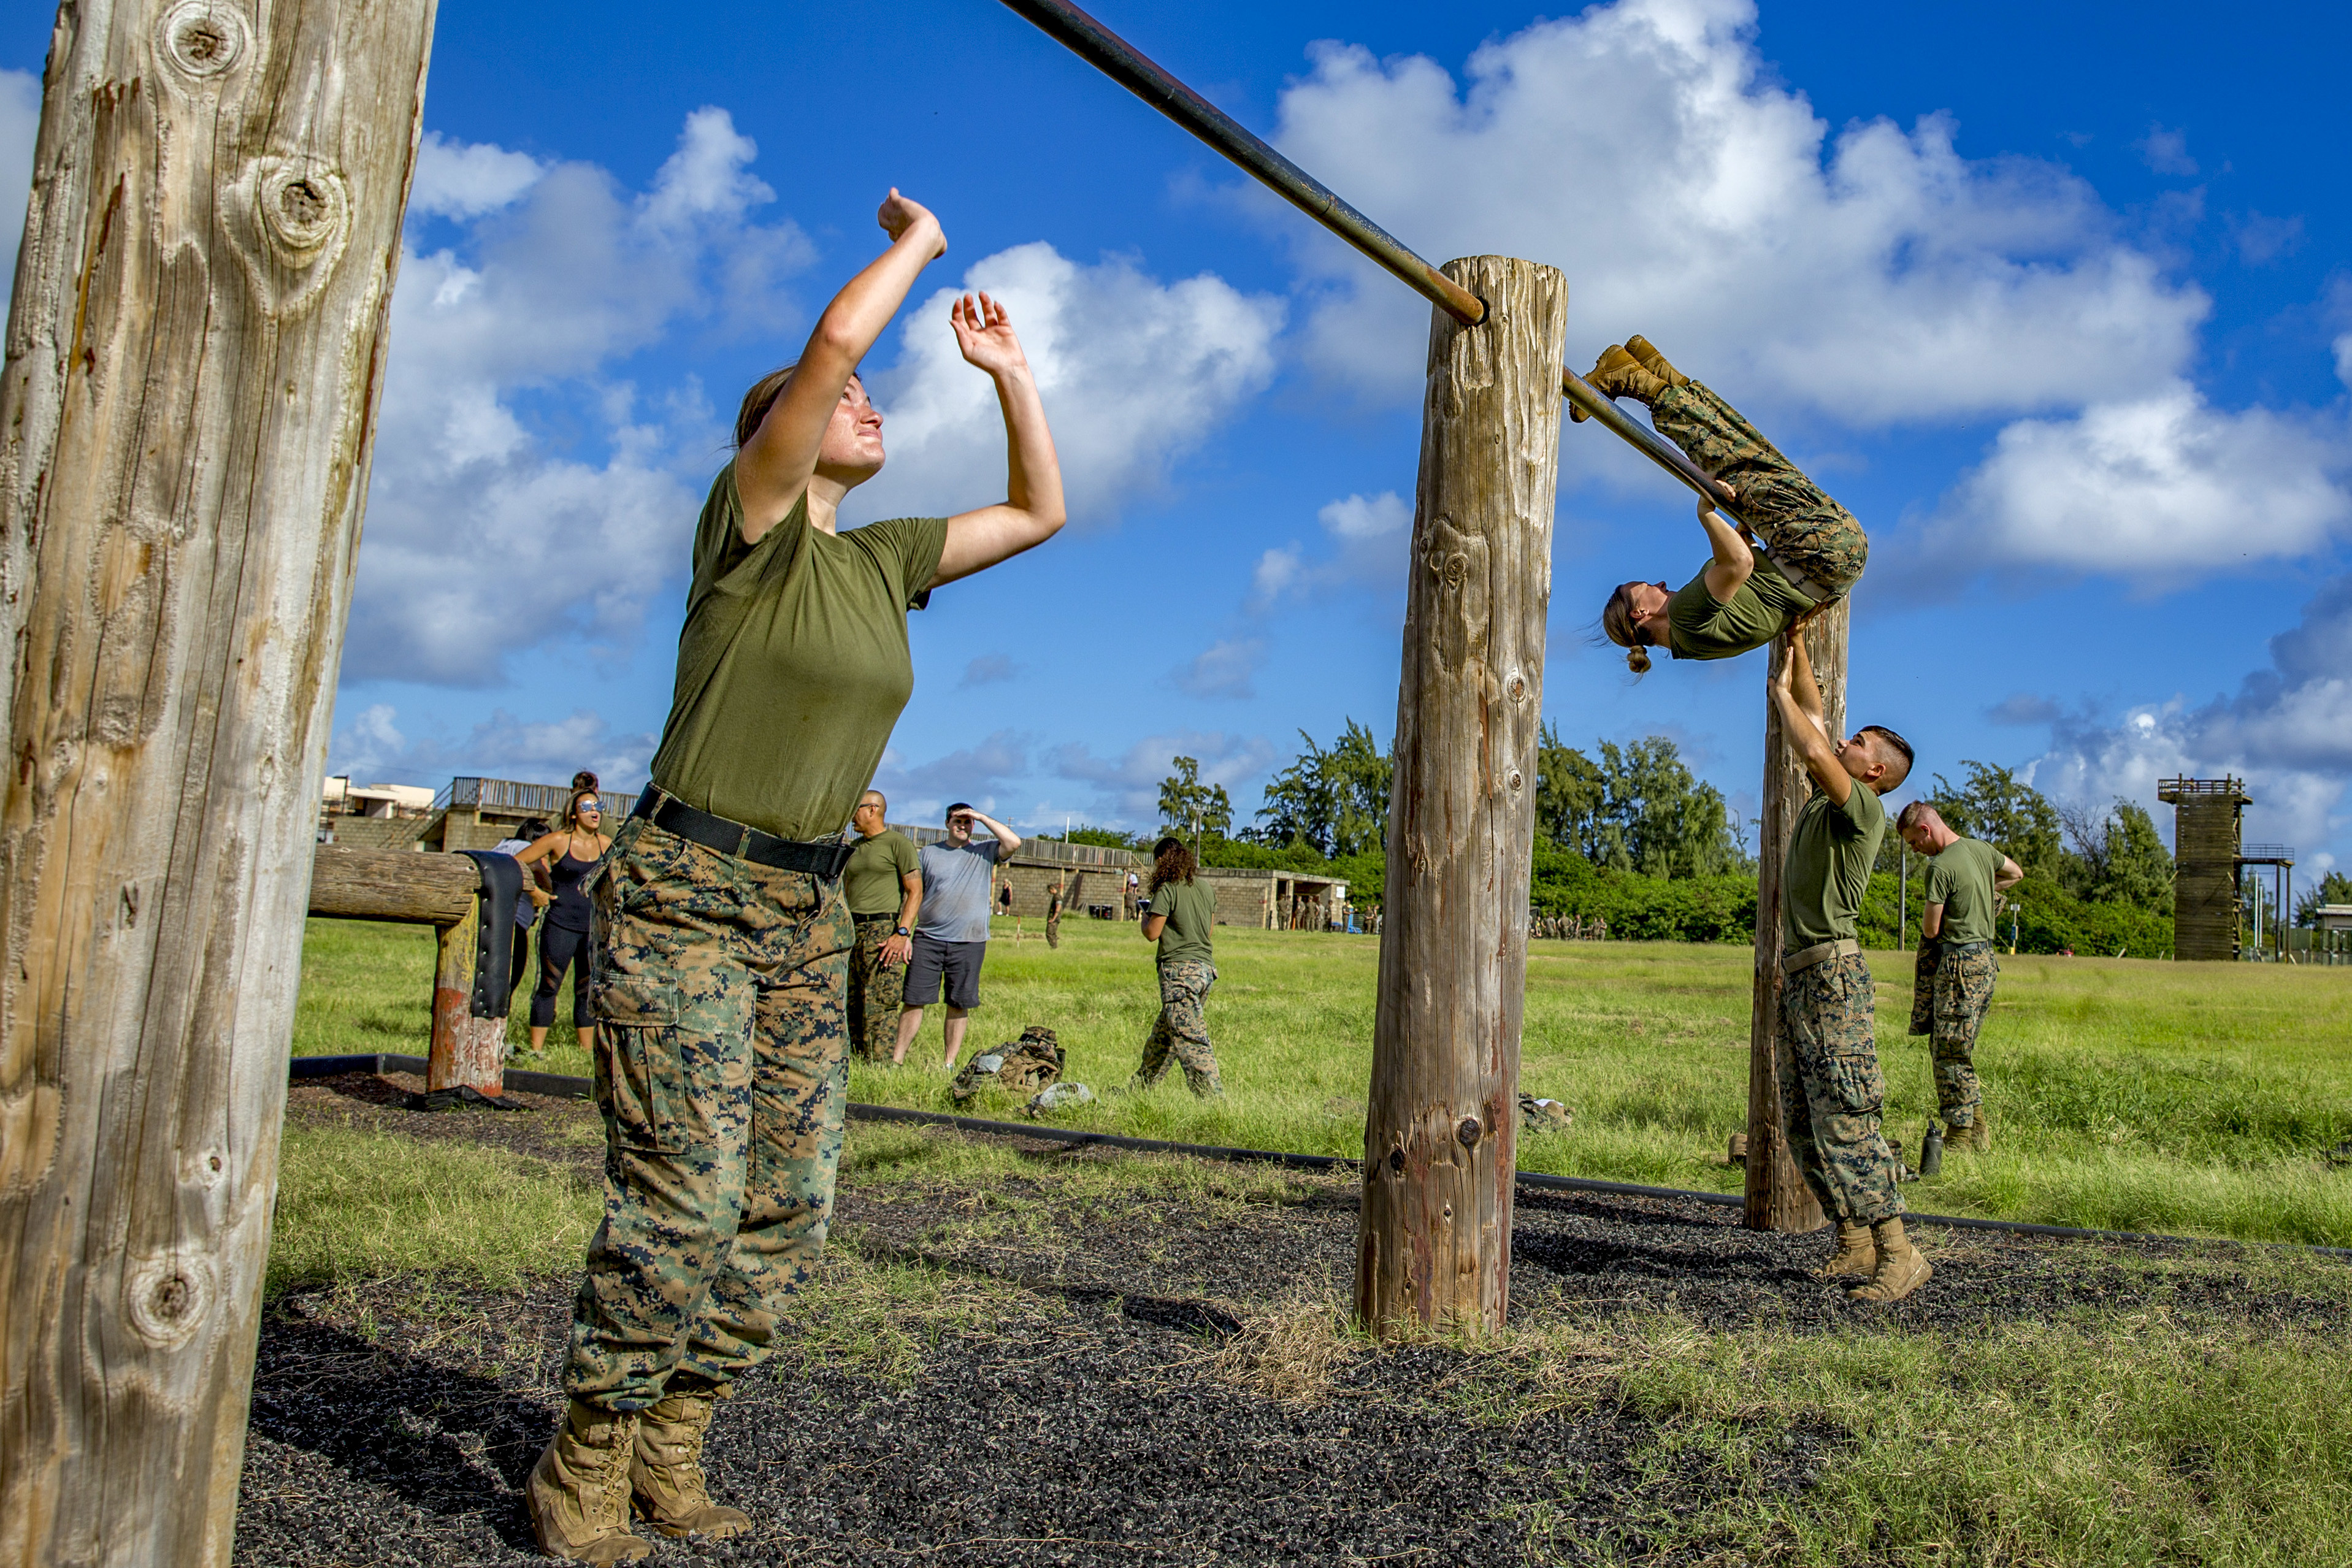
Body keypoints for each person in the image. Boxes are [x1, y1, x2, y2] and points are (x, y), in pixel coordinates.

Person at [527, 188, 1065, 1562]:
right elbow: (829, 342)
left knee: (789, 1202)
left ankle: (674, 1434)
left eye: (880, 400)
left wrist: (1011, 377)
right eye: (850, 403)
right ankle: (583, 1454)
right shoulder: (750, 529)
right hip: (685, 895)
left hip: (800, 913)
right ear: (776, 439)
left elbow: (1036, 514)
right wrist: (918, 247)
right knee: (685, 1195)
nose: (871, 408)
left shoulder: (884, 561)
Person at [1766, 631, 1925, 1303]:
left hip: (1833, 977)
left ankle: (1898, 1251)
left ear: (1874, 773)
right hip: (1801, 973)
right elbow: (1818, 712)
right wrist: (1796, 647)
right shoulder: (1828, 800)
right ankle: (1852, 1240)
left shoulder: (1861, 810)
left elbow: (1807, 737)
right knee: (1803, 1119)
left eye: (1858, 743)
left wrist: (1776, 695)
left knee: (1848, 1116)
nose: (1845, 743)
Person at [1585, 337, 1869, 671]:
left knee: (1749, 453)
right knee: (1732, 462)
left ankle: (1662, 377)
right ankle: (1635, 380)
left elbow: (1751, 590)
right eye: (1648, 588)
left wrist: (1740, 533)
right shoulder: (1683, 618)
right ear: (1640, 613)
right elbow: (1738, 565)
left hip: (1830, 558)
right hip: (1815, 549)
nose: (1660, 584)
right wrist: (1706, 512)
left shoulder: (1690, 643)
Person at [1898, 803, 2022, 1153]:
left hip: (1958, 966)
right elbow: (2015, 873)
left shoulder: (1940, 868)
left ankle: (1959, 1137)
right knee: (1962, 1049)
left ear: (1925, 830)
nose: (1915, 850)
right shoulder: (1981, 850)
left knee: (1949, 1051)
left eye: (1913, 843)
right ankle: (1979, 1130)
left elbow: (1931, 928)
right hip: (1986, 962)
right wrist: (1983, 887)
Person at [896, 803, 1021, 1071]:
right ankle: (897, 1060)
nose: (962, 826)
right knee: (914, 999)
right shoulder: (928, 853)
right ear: (947, 823)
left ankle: (949, 1064)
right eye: (957, 821)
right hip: (928, 938)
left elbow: (1013, 842)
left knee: (958, 1002)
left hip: (970, 941)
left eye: (968, 822)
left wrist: (980, 815)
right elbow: (913, 894)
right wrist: (904, 932)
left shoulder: (985, 851)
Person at [511, 792, 610, 1060]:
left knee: (586, 990)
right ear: (573, 813)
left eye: (598, 806)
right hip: (559, 924)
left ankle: (585, 1053)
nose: (595, 811)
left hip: (592, 928)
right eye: (587, 806)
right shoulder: (557, 840)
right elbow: (518, 862)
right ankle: (536, 1051)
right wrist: (536, 891)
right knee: (549, 986)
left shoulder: (608, 845)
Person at [1133, 836, 1223, 1096]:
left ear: (1162, 860)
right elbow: (1209, 931)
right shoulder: (1206, 889)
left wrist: (1145, 917)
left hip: (1179, 973)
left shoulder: (1167, 890)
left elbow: (1152, 933)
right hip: (1204, 970)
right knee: (1163, 1038)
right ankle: (1139, 1090)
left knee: (1191, 1040)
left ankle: (1213, 1101)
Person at [843, 790, 921, 1063]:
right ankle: (854, 1060)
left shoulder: (897, 844)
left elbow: (915, 891)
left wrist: (902, 932)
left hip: (882, 929)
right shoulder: (852, 849)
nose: (852, 815)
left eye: (856, 808)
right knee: (852, 999)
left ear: (873, 810)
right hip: (852, 928)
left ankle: (880, 1063)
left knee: (879, 1000)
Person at [489, 817, 554, 1001]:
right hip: (513, 921)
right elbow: (534, 867)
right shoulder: (523, 848)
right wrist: (549, 888)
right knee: (511, 977)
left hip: (495, 917)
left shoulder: (503, 845)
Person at [1045, 876, 1063, 950]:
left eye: (1049, 890)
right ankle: (1054, 947)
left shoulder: (1057, 897)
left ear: (1052, 889)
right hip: (1055, 918)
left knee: (1049, 933)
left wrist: (1053, 918)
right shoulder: (1056, 896)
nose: (1049, 892)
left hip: (1054, 919)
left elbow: (1058, 907)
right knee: (1052, 933)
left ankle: (1054, 947)